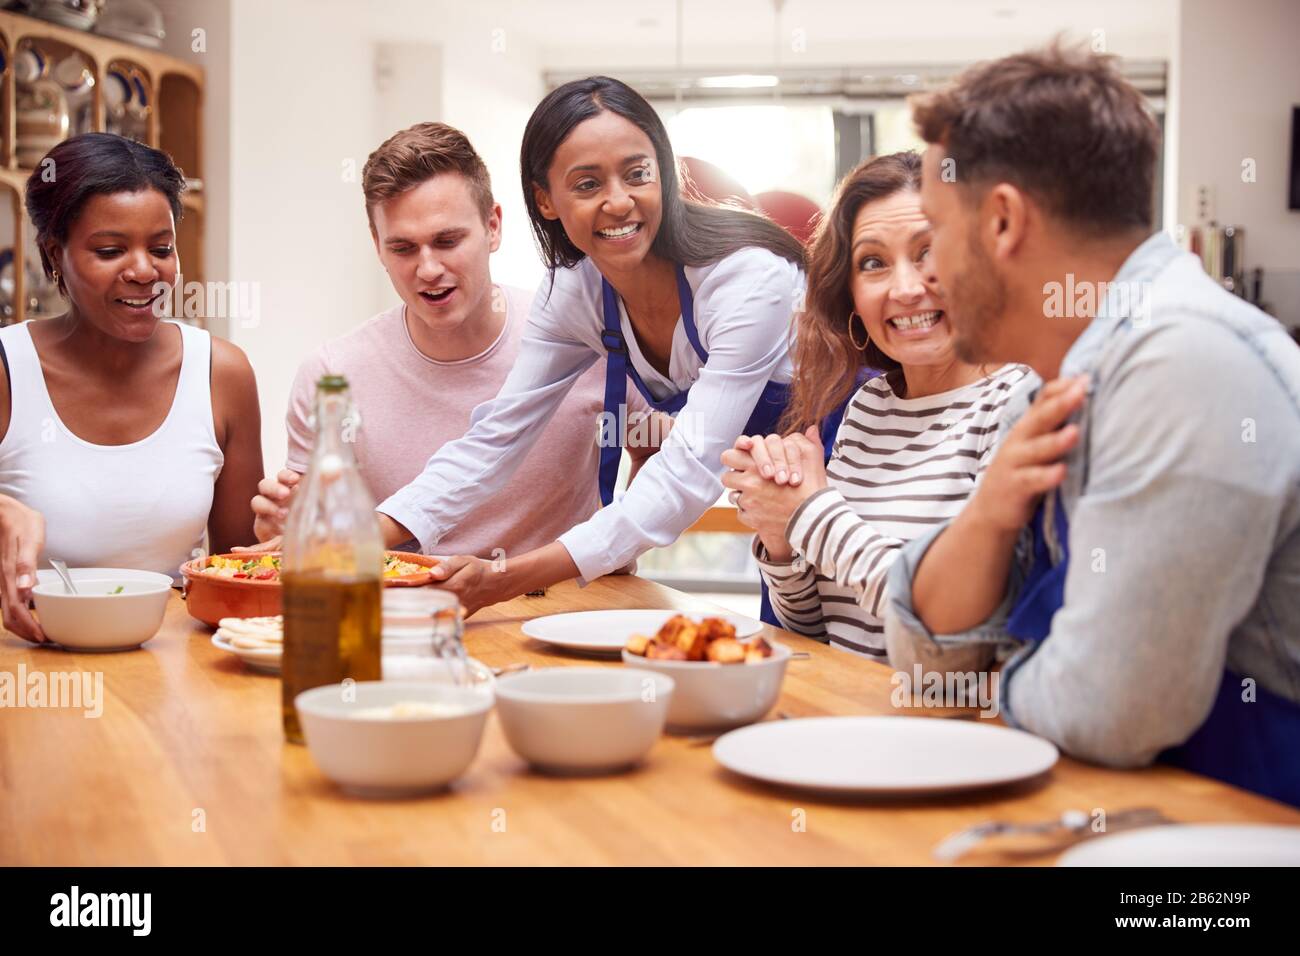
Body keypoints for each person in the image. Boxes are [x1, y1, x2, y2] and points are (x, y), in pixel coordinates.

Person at [883, 44, 1300, 806]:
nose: (930, 275)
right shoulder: (1046, 390)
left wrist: (988, 679)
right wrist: (986, 516)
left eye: (936, 232)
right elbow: (922, 666)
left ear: (1003, 220)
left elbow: (1108, 713)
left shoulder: (1186, 364)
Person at [372, 77, 810, 615]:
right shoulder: (575, 292)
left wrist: (506, 577)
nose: (619, 202)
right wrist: (356, 538)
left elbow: (690, 466)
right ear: (545, 201)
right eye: (586, 184)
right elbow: (496, 438)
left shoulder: (745, 280)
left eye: (637, 174)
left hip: (859, 486)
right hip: (781, 511)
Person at [249, 122, 657, 558]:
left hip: (559, 614)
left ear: (493, 226)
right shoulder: (332, 374)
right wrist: (279, 522)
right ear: (377, 245)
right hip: (406, 613)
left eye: (447, 241)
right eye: (403, 248)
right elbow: (315, 537)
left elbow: (654, 450)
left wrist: (614, 545)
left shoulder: (584, 337)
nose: (427, 269)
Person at [719, 152, 1029, 657]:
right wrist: (780, 540)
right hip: (849, 719)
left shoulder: (1016, 404)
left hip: (948, 729)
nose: (906, 289)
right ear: (851, 296)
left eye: (930, 252)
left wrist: (809, 515)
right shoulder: (867, 406)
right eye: (873, 263)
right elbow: (821, 637)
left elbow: (962, 629)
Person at [0, 133, 262, 643]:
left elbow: (240, 574)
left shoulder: (221, 373)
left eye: (161, 249)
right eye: (110, 250)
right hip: (23, 660)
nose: (144, 271)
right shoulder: (8, 369)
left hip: (170, 672)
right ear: (55, 254)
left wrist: (285, 532)